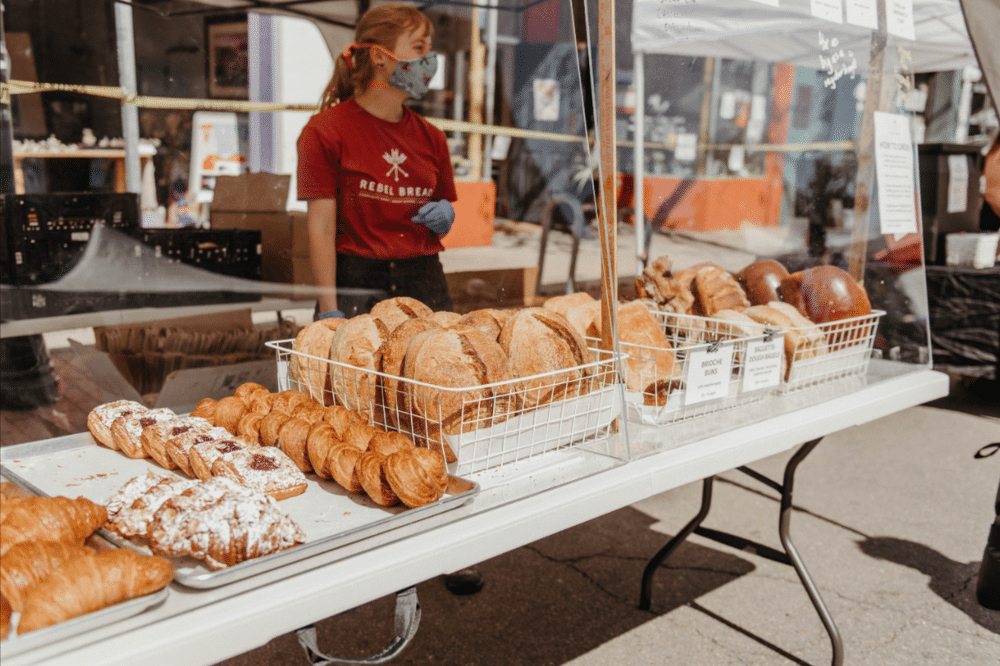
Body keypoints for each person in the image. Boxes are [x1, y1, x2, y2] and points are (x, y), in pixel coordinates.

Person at [297, 4, 456, 319]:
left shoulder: (432, 138)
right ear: (380, 57)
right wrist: (329, 308)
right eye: (419, 47)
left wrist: (446, 213)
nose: (430, 60)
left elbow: (441, 205)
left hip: (425, 281)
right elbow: (321, 229)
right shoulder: (325, 132)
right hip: (356, 282)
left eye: (430, 48)